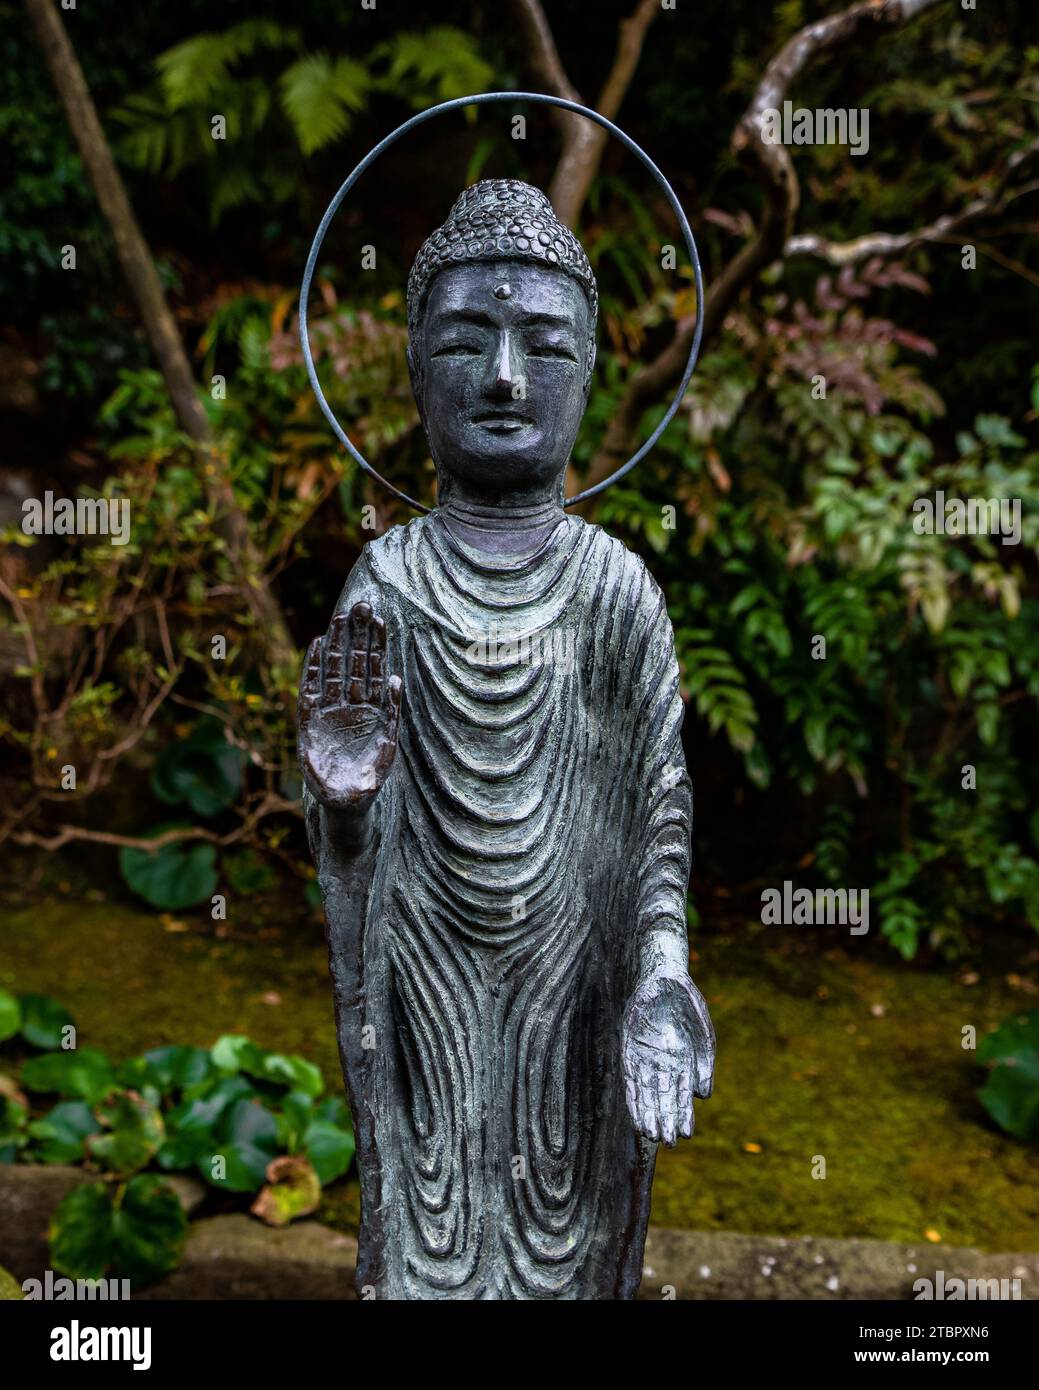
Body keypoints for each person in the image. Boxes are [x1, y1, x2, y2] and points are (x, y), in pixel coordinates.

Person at [299, 179, 715, 1300]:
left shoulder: (616, 587)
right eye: (463, 342)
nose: (501, 378)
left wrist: (662, 970)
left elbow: (656, 808)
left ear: (586, 370)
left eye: (543, 345)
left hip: (575, 988)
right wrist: (344, 804)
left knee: (565, 1241)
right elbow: (354, 848)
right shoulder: (386, 580)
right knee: (433, 1225)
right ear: (413, 369)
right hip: (426, 984)